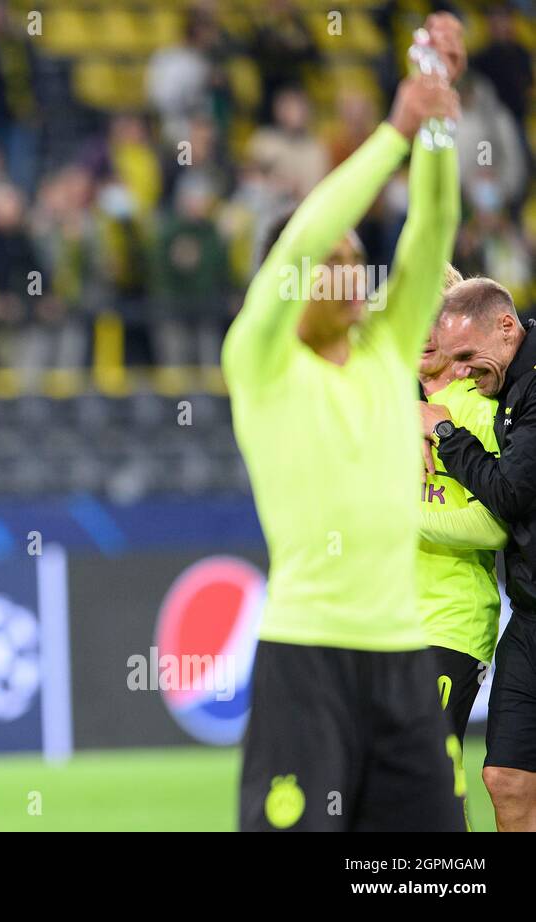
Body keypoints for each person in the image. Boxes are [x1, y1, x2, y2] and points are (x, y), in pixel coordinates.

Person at [224, 14, 465, 831]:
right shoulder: (259, 358)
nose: (352, 269)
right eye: (337, 261)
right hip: (306, 660)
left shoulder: (385, 354)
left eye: (360, 256)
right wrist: (392, 135)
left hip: (402, 658)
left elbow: (432, 234)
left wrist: (434, 123)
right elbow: (304, 235)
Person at [426, 276, 536, 831]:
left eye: (467, 355)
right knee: (504, 778)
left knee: (428, 771)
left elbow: (504, 508)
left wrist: (443, 432)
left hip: (449, 620)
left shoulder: (485, 405)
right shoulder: (384, 406)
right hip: (380, 618)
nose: (463, 367)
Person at [415, 266, 503, 776]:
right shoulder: (396, 411)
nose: (425, 333)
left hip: (449, 623)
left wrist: (404, 516)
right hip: (389, 625)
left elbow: (496, 524)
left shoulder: (477, 414)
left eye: (439, 319)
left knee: (426, 781)